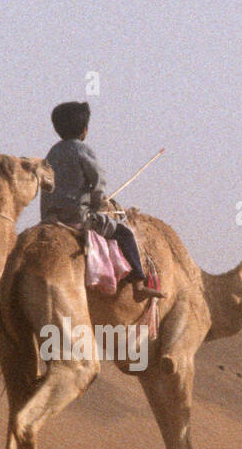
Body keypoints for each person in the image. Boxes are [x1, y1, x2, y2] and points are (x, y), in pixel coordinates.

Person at [41, 101, 163, 302]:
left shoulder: (52, 154)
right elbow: (98, 180)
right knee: (124, 233)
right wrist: (98, 204)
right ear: (84, 129)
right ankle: (139, 284)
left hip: (50, 218)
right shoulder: (82, 150)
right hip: (78, 217)